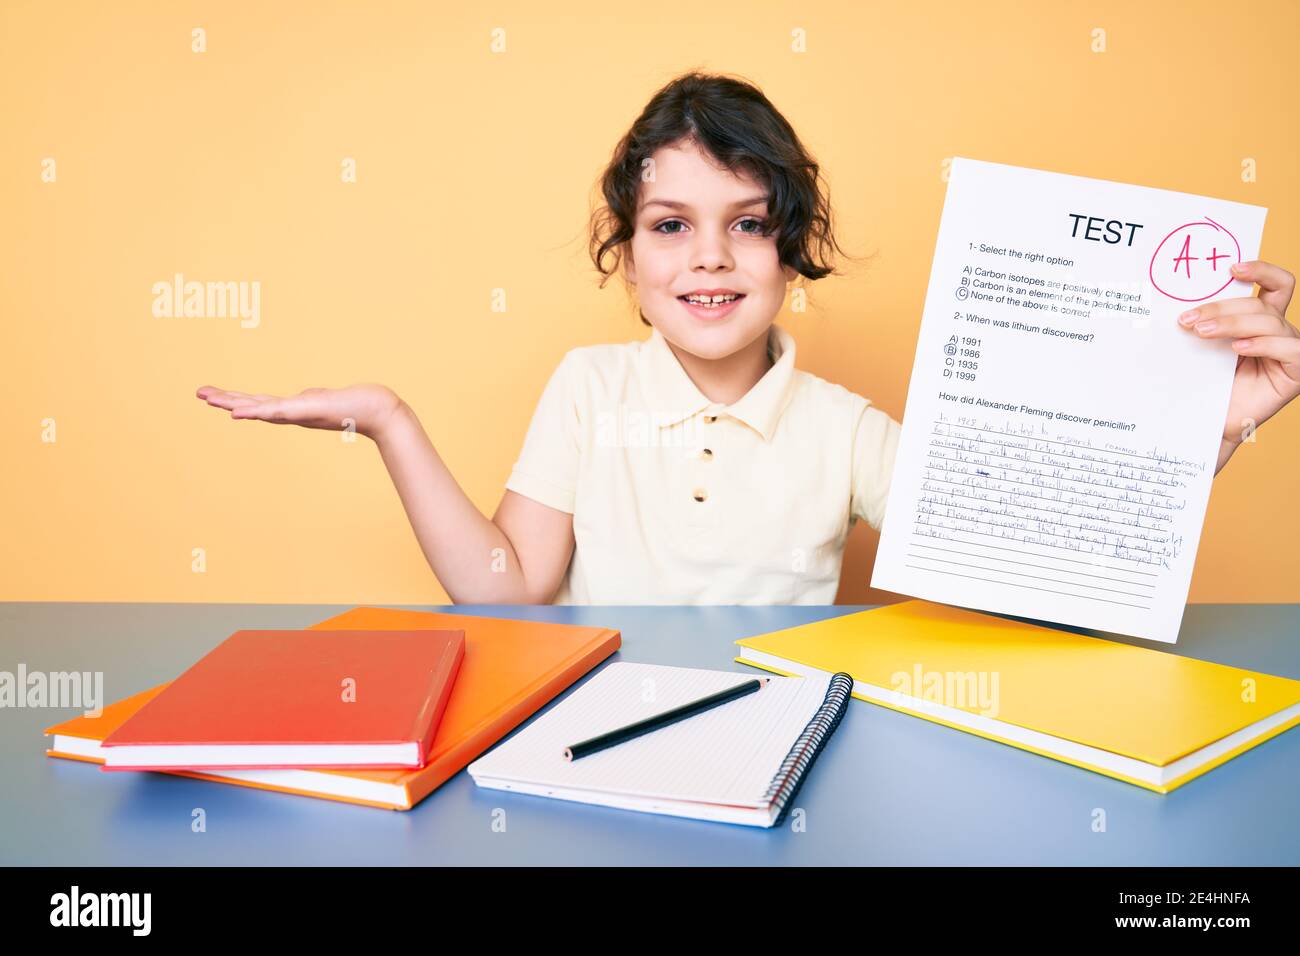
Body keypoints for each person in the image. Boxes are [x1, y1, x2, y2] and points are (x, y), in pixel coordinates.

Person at [196, 71, 1299, 605]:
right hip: (594, 734)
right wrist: (390, 420)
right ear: (627, 257)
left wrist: (1218, 420)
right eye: (671, 227)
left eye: (748, 225)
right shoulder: (588, 388)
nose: (710, 258)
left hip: (781, 749)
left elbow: (1020, 544)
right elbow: (506, 587)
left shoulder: (844, 430)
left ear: (790, 252)